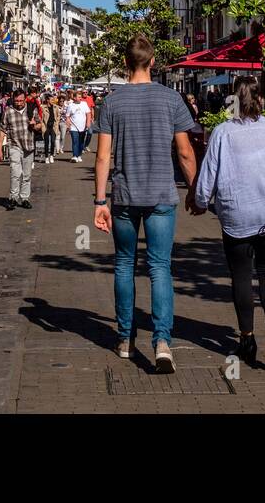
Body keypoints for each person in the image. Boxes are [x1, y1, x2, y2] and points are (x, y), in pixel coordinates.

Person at [93, 35, 198, 373]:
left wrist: (99, 201)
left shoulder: (112, 101)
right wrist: (196, 189)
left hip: (124, 195)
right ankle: (163, 342)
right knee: (160, 268)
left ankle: (125, 338)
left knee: (124, 265)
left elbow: (103, 157)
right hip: (161, 196)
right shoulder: (171, 99)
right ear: (153, 62)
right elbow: (184, 152)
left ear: (126, 63)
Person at [190, 75, 265, 367]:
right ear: (262, 99)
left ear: (234, 99)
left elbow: (208, 173)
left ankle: (247, 338)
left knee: (242, 277)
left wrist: (200, 201)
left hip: (236, 215)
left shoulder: (223, 132)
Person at [0, 89, 42, 210]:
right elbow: (3, 130)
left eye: (21, 100)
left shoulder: (31, 109)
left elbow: (40, 125)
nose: (19, 103)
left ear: (25, 99)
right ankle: (13, 198)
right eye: (16, 100)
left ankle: (24, 198)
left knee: (27, 175)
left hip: (29, 146)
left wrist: (34, 125)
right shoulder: (8, 111)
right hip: (15, 146)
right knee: (15, 173)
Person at [65, 90, 90, 162]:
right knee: (75, 141)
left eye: (81, 97)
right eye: (79, 97)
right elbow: (67, 116)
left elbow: (88, 113)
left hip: (83, 126)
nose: (80, 98)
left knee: (81, 142)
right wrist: (68, 124)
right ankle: (74, 156)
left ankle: (79, 155)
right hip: (73, 126)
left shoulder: (84, 104)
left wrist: (88, 123)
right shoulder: (70, 105)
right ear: (74, 98)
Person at [42, 95, 60, 164]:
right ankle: (46, 157)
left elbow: (58, 116)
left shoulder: (56, 107)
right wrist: (43, 126)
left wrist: (57, 122)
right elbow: (42, 117)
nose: (53, 101)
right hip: (46, 127)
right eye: (51, 100)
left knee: (53, 141)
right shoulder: (43, 107)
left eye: (53, 100)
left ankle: (51, 155)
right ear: (47, 100)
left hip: (53, 127)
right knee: (46, 142)